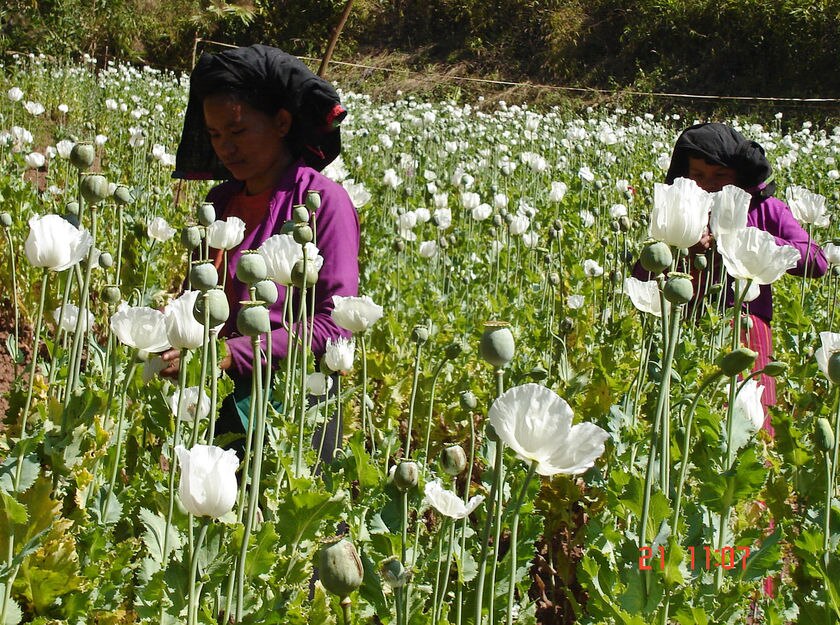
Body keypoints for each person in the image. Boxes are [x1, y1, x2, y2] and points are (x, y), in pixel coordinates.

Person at [162, 44, 360, 458]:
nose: (225, 149)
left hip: (296, 408)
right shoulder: (219, 202)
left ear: (282, 122)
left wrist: (232, 354)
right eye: (215, 135)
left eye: (236, 132)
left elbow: (335, 326)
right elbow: (195, 301)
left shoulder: (324, 202)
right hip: (217, 400)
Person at [638, 122, 827, 432]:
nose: (708, 185)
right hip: (688, 327)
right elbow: (643, 271)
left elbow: (816, 262)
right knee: (688, 420)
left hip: (748, 326)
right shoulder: (683, 206)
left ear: (738, 175)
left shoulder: (766, 210)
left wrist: (747, 239)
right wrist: (679, 245)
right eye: (698, 175)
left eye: (720, 176)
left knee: (751, 418)